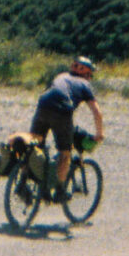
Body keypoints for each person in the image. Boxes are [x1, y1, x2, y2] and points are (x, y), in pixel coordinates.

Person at [31, 55, 104, 199]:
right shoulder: (84, 85)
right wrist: (99, 133)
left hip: (43, 107)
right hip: (62, 112)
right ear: (87, 73)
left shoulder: (61, 76)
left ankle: (28, 180)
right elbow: (96, 112)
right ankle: (59, 190)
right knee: (65, 153)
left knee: (35, 146)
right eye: (90, 74)